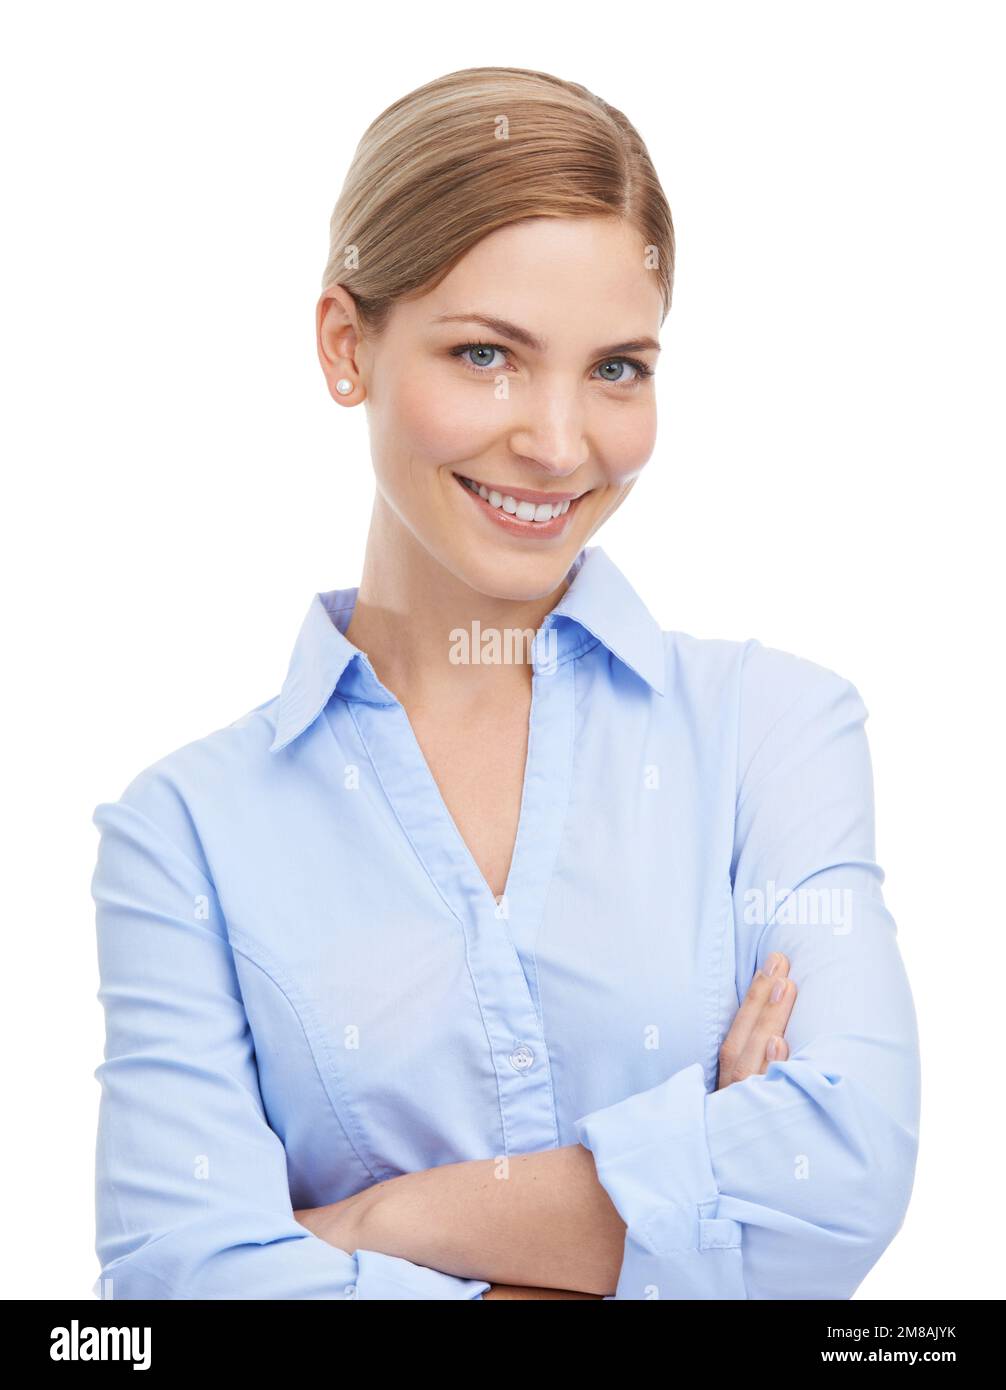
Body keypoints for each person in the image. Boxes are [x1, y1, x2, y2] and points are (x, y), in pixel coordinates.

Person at [90, 65, 920, 1301]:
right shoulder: (184, 834)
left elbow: (842, 1167)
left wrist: (376, 1218)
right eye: (485, 354)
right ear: (344, 345)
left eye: (617, 368)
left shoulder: (774, 731)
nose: (556, 440)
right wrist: (685, 1213)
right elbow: (180, 1290)